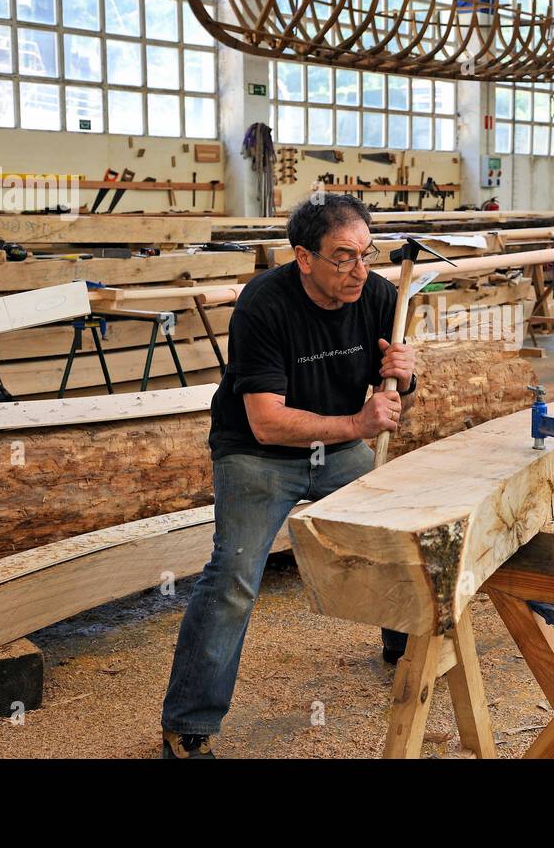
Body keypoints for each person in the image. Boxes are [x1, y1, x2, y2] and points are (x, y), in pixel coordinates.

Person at [160, 193, 417, 759]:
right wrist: (357, 420)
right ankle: (189, 724)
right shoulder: (264, 305)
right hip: (257, 454)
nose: (359, 270)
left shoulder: (378, 295)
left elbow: (390, 393)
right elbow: (267, 422)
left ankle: (405, 650)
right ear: (303, 257)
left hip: (339, 445)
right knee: (233, 577)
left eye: (367, 253)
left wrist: (402, 377)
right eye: (343, 257)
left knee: (398, 533)